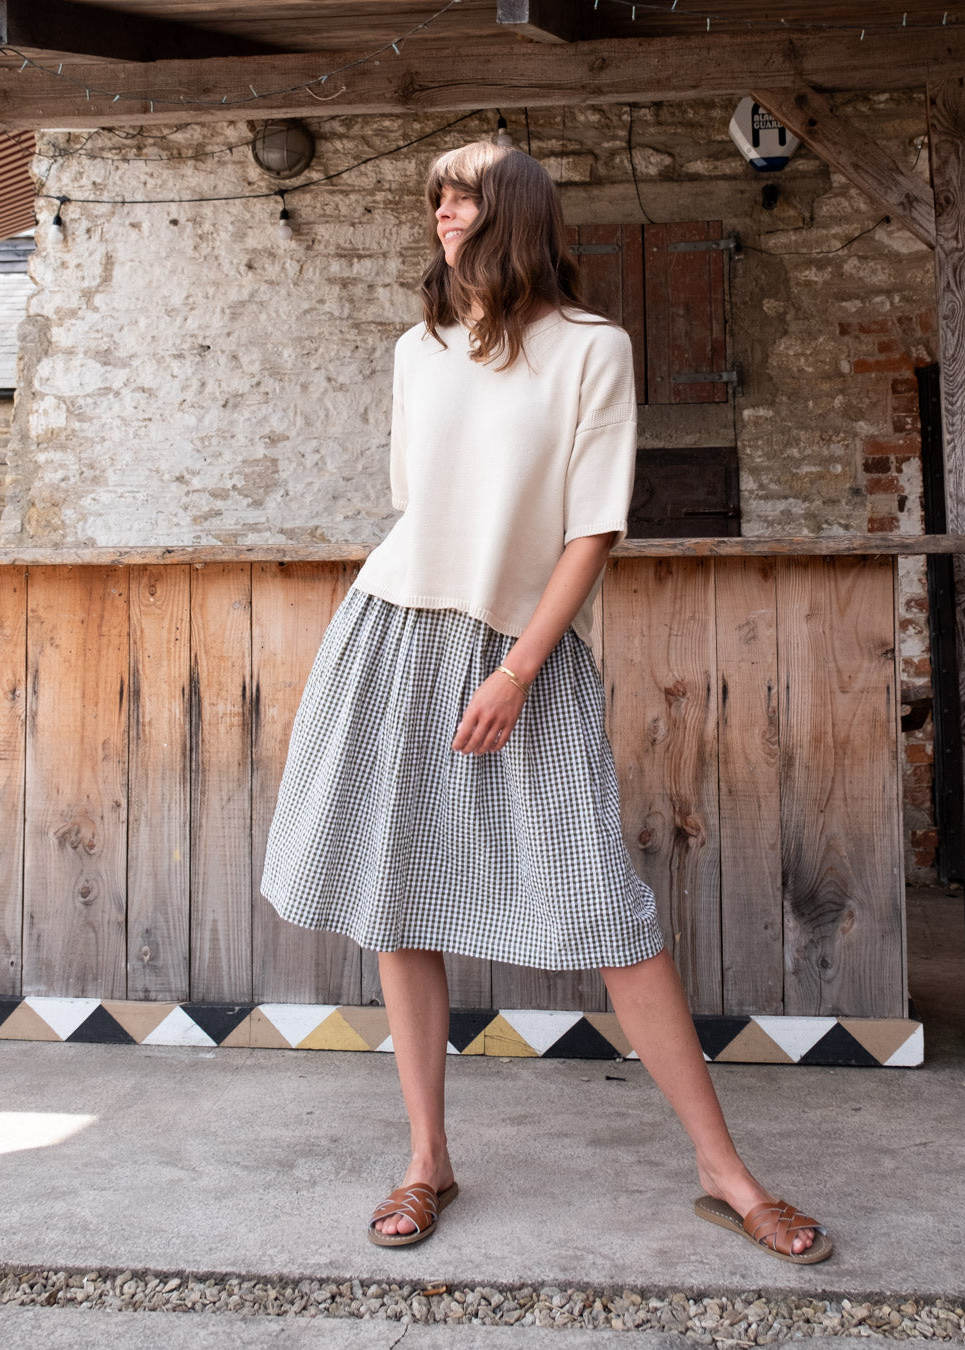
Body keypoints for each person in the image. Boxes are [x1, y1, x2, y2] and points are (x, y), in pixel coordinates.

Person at [261, 140, 832, 1266]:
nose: (444, 214)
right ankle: (427, 1159)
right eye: (437, 199)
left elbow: (593, 529)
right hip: (392, 634)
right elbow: (418, 506)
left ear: (515, 213)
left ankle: (725, 1174)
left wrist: (516, 670)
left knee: (607, 910)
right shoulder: (418, 350)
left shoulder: (592, 348)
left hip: (526, 658)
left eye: (464, 198)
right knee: (397, 895)